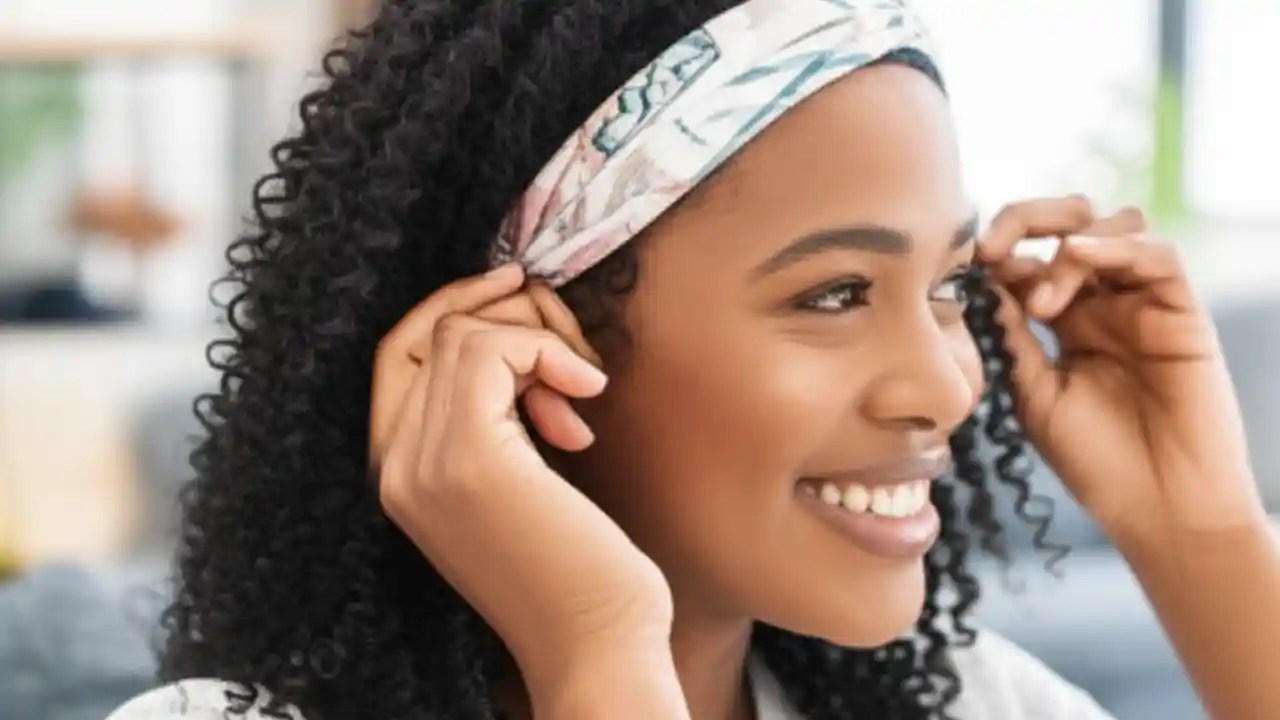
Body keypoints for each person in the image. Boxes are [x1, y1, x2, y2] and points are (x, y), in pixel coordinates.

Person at [107, 1, 1280, 718]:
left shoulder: (965, 705)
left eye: (948, 287)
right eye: (832, 293)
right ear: (523, 345)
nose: (949, 383)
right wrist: (597, 657)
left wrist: (1203, 535)